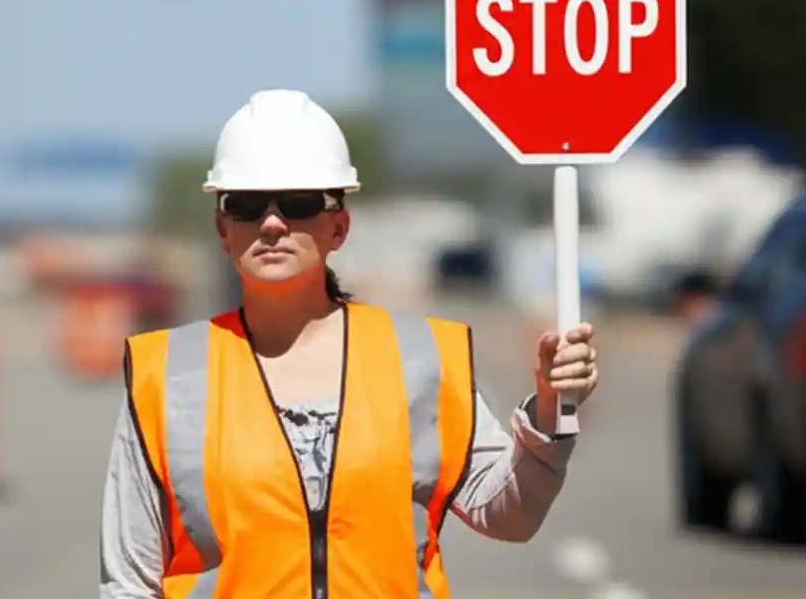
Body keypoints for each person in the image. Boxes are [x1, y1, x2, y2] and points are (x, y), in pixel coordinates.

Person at [98, 89, 599, 599]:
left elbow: (509, 516)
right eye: (247, 205)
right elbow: (129, 581)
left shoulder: (421, 359)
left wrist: (548, 413)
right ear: (223, 228)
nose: (271, 223)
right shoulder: (166, 376)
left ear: (339, 226)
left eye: (298, 204)